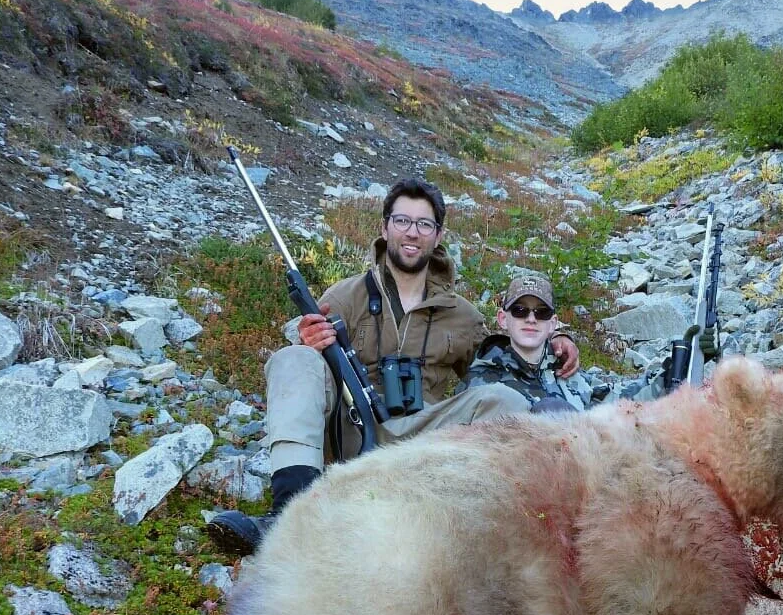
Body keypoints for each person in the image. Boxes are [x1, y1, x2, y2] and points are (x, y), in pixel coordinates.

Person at [207, 177, 581, 555]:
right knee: (293, 359)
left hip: (425, 447)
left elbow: (505, 355)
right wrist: (309, 345)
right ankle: (289, 515)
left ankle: (507, 526)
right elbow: (304, 381)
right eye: (402, 221)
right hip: (352, 434)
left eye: (424, 224)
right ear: (384, 227)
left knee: (503, 400)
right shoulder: (344, 297)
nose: (412, 233)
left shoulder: (463, 316)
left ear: (438, 235)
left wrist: (557, 338)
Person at [457, 269, 593, 414]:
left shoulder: (567, 370)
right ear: (502, 319)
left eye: (542, 312)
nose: (531, 319)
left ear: (552, 323)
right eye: (519, 310)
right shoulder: (479, 384)